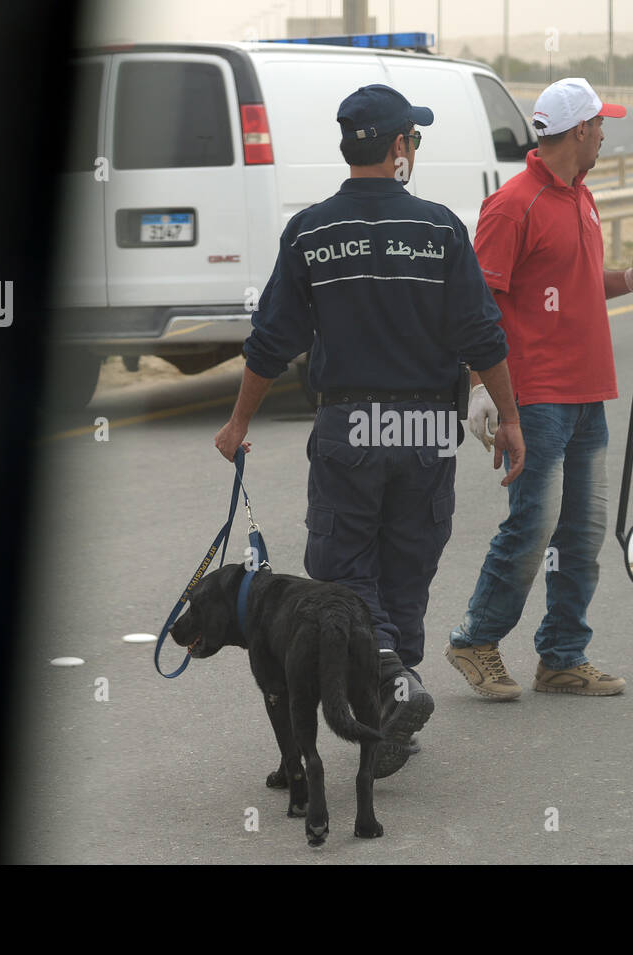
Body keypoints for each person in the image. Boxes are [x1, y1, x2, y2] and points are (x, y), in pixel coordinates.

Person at [213, 84, 525, 777]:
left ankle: (387, 684)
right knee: (406, 564)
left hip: (349, 423)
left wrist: (238, 423)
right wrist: (506, 416)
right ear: (397, 148)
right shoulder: (442, 229)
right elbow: (481, 335)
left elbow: (270, 342)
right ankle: (393, 686)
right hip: (426, 426)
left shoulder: (311, 233)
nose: (413, 147)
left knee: (345, 570)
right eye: (412, 137)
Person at [445, 77, 633, 700]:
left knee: (582, 531)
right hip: (535, 396)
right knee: (532, 526)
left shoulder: (580, 197)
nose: (604, 134)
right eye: (599, 125)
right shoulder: (514, 204)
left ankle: (562, 656)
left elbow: (573, 283)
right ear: (577, 132)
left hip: (585, 394)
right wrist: (481, 389)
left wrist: (628, 278)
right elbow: (479, 302)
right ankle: (475, 639)